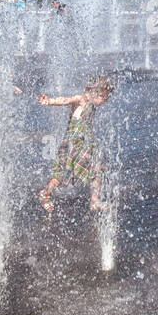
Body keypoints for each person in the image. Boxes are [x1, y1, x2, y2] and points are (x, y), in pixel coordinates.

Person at [37, 76, 113, 214]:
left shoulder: (92, 104)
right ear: (97, 93)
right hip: (73, 143)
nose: (104, 102)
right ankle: (45, 193)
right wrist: (49, 101)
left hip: (85, 144)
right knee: (62, 173)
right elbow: (65, 100)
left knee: (98, 168)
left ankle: (94, 201)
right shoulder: (82, 99)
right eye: (104, 98)